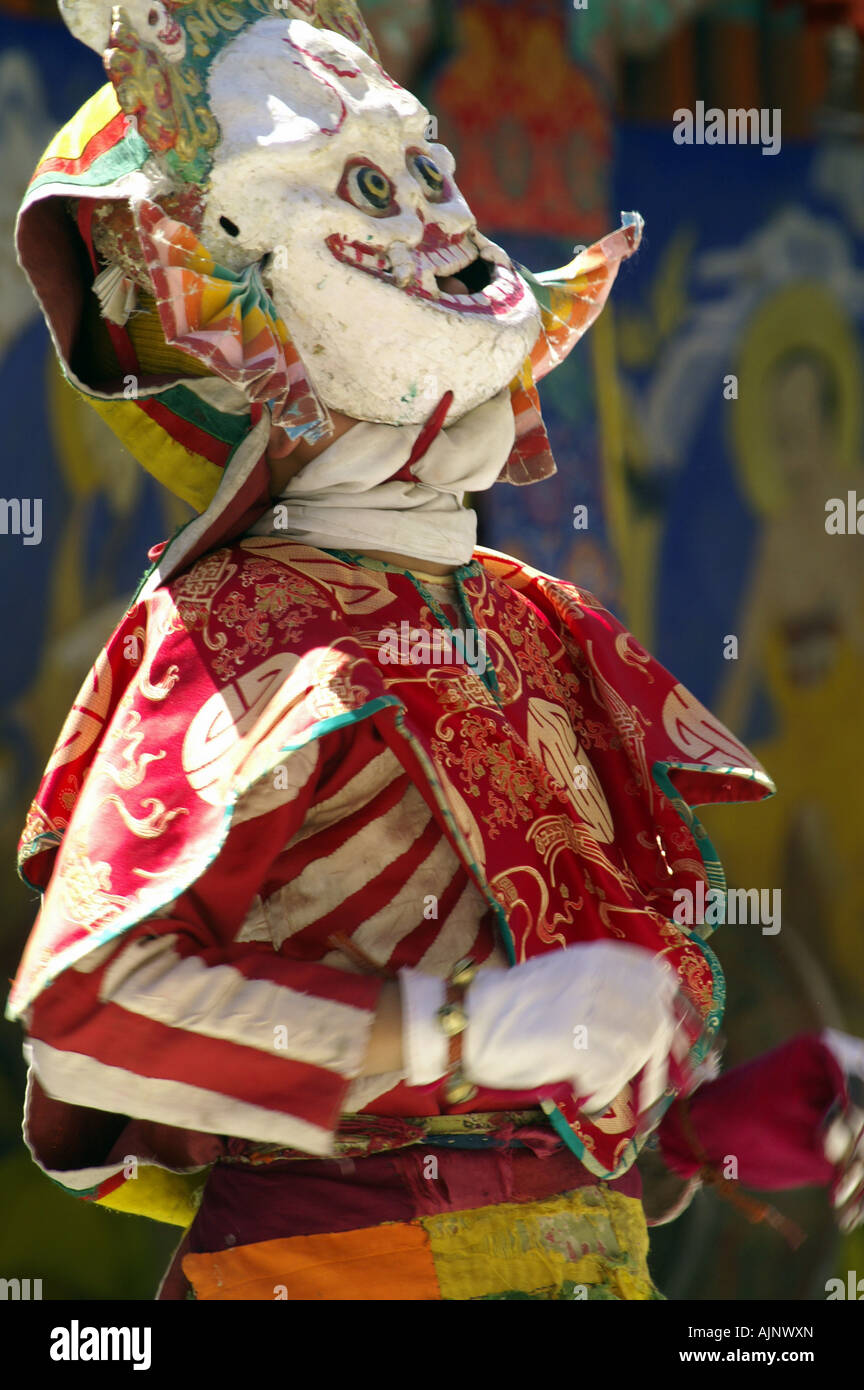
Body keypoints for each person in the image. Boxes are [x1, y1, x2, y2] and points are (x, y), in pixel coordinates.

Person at [7, 0, 863, 1300]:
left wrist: (711, 1124)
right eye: (365, 182)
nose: (438, 216)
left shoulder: (535, 620)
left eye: (427, 169)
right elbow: (92, 1021)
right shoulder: (241, 623)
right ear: (231, 276)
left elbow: (547, 1057)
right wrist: (458, 1038)